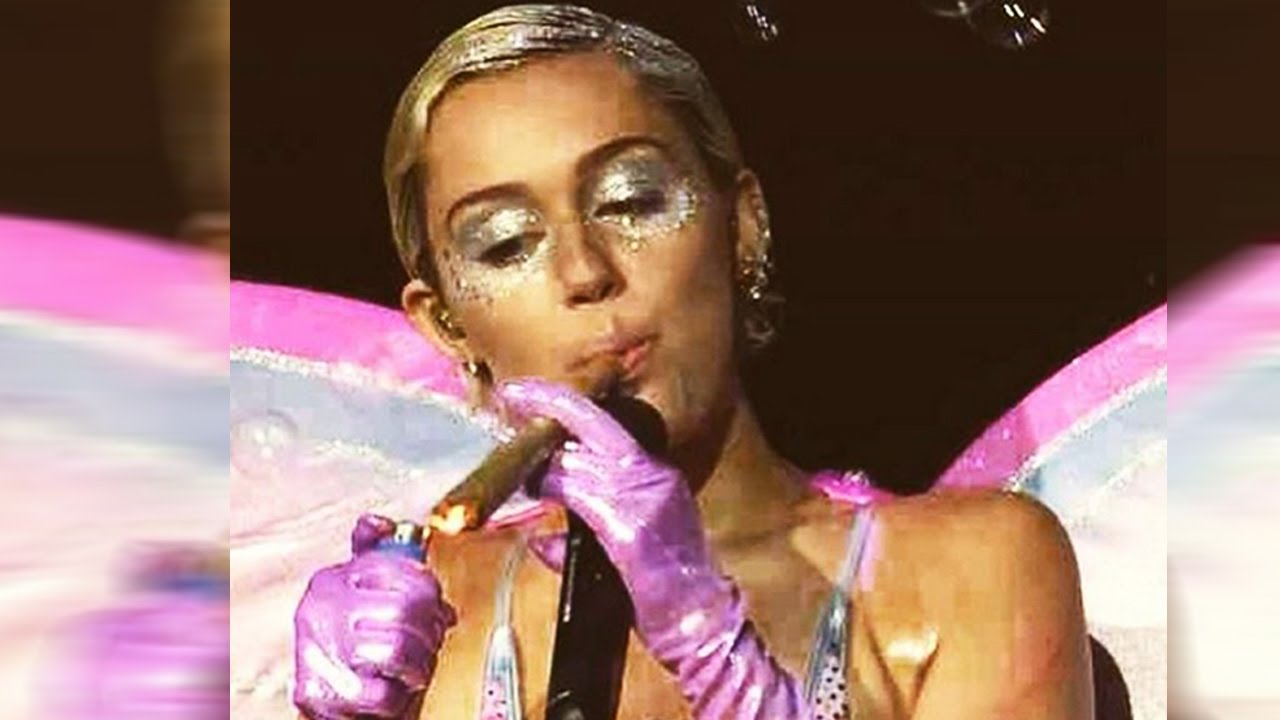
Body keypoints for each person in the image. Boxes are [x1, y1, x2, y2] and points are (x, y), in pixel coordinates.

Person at [291, 5, 1094, 719]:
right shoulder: (428, 619)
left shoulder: (973, 569)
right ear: (447, 326)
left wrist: (707, 638)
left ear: (742, 225)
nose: (585, 270)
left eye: (631, 201)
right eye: (505, 244)